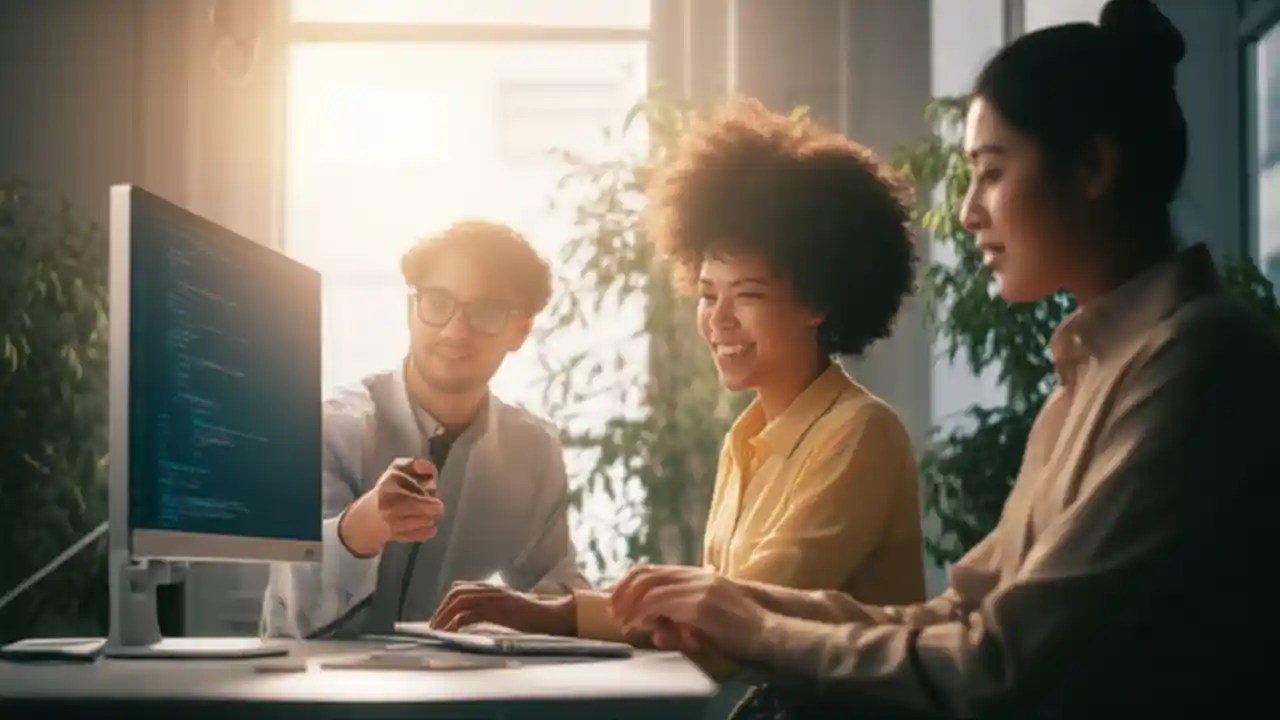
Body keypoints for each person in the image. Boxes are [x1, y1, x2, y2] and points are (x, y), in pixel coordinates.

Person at [606, 1, 1280, 717]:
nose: (967, 213)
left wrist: (757, 626)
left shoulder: (1198, 365)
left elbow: (1004, 663)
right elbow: (962, 613)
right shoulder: (1087, 379)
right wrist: (736, 606)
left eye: (991, 171)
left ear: (1093, 167)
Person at [430, 97, 928, 680]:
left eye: (747, 295)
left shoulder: (860, 433)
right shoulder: (746, 439)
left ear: (817, 300)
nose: (718, 320)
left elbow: (736, 610)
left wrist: (555, 612)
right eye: (707, 292)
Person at [261, 220, 588, 639]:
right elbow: (297, 614)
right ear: (410, 309)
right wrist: (365, 524)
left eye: (485, 312)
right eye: (437, 301)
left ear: (520, 331)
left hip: (452, 692)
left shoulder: (533, 451)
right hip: (311, 691)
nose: (455, 331)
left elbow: (556, 588)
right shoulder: (329, 428)